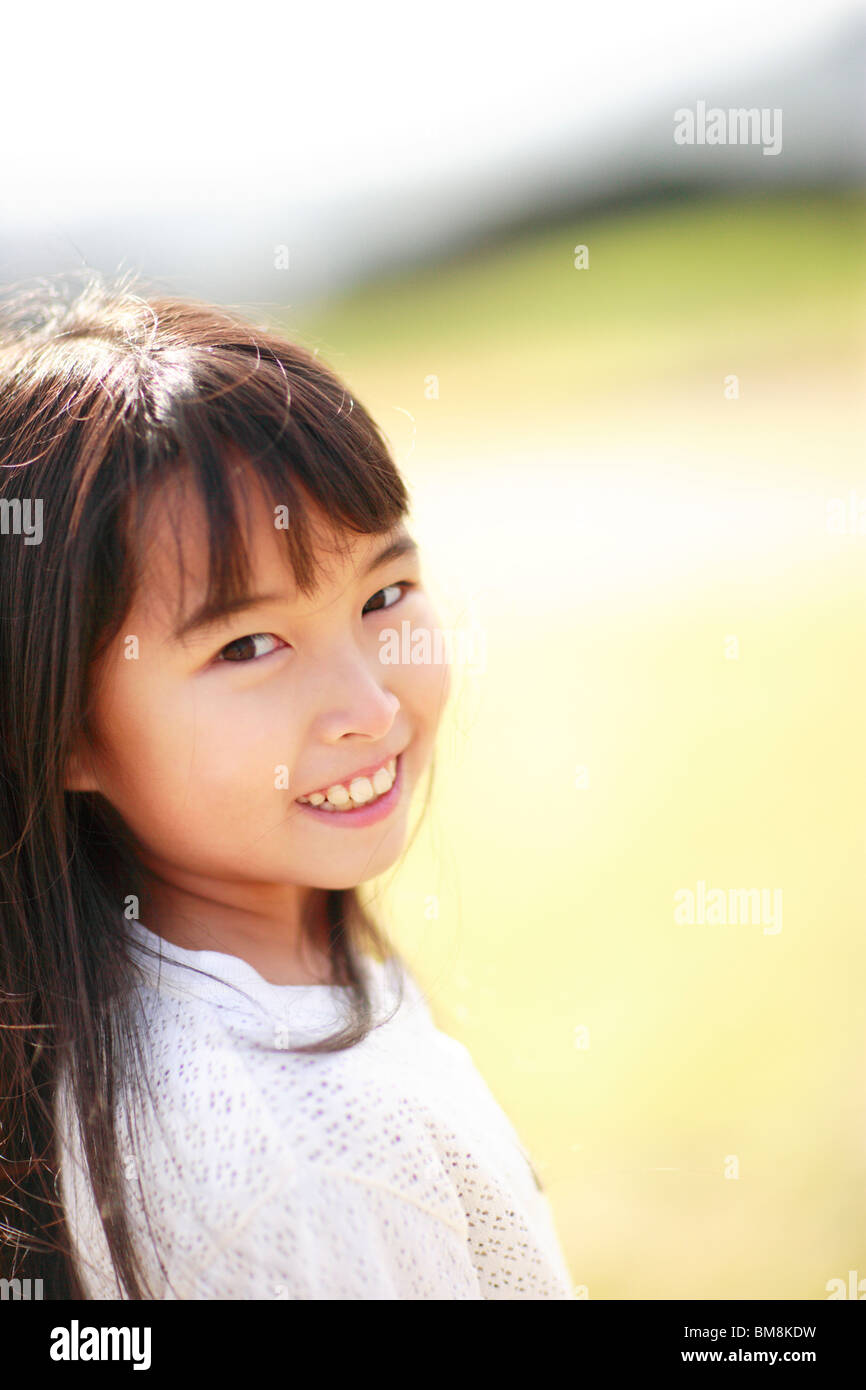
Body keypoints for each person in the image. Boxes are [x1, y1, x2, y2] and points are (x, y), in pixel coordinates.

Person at [0, 271, 574, 1299]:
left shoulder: (162, 1005)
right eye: (249, 643)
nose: (366, 704)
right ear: (61, 732)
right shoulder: (310, 1152)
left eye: (383, 593)